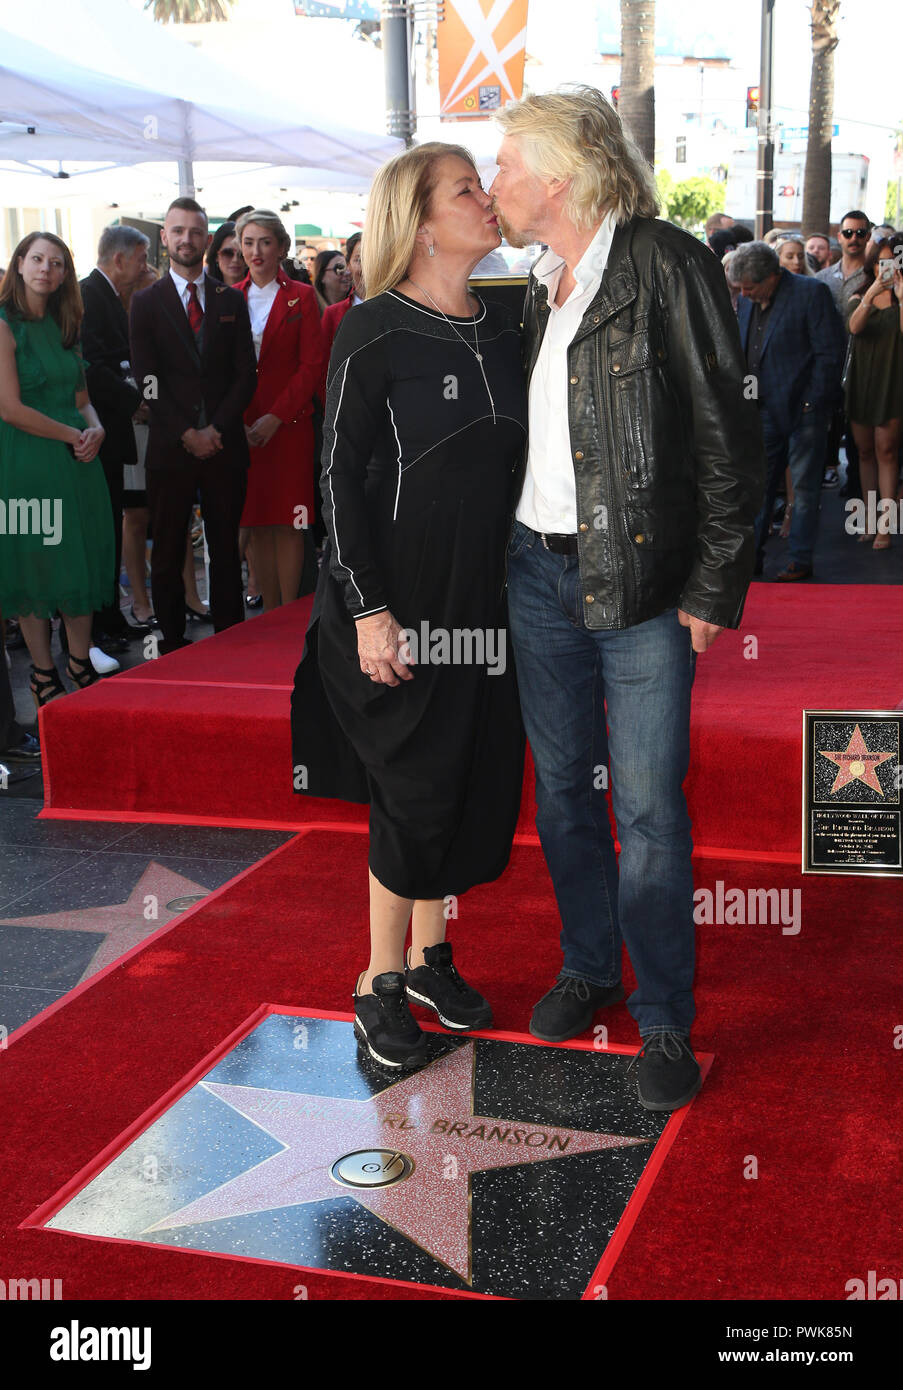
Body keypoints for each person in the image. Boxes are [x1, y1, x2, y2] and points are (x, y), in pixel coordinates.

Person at [488, 84, 765, 1111]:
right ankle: (590, 965)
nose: (496, 180)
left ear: (560, 172)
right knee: (562, 792)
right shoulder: (534, 279)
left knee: (648, 807)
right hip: (534, 570)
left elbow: (732, 435)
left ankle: (662, 1018)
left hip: (644, 579)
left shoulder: (664, 261)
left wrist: (713, 584)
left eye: (508, 162)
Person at [291, 142, 528, 1070]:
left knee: (461, 778)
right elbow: (339, 478)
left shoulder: (502, 327)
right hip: (389, 602)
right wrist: (366, 609)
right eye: (466, 189)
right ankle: (375, 984)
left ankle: (432, 959)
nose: (486, 199)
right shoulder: (373, 328)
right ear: (422, 220)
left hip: (483, 597)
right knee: (413, 787)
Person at [129, 197, 257, 654]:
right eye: (177, 230)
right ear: (164, 237)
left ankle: (231, 639)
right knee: (165, 550)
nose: (187, 239)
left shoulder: (231, 300)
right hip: (170, 448)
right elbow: (147, 379)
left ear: (206, 238)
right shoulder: (145, 303)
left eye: (195, 231)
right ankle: (172, 642)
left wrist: (216, 430)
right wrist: (187, 432)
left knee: (226, 549)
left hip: (224, 448)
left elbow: (247, 374)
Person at [0, 233, 113, 704]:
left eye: (57, 262)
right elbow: (8, 408)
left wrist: (97, 429)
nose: (46, 268)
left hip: (78, 462)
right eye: (37, 259)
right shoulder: (3, 324)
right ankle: (43, 675)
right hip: (27, 465)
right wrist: (75, 435)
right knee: (36, 567)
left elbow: (82, 400)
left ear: (66, 273)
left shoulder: (67, 322)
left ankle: (80, 662)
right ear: (20, 264)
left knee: (80, 562)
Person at [733, 241, 845, 580]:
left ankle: (800, 558)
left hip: (803, 412)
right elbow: (748, 353)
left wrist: (812, 403)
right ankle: (751, 560)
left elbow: (830, 353)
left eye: (750, 288)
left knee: (805, 488)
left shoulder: (811, 294)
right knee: (758, 488)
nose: (746, 294)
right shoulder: (750, 299)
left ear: (772, 276)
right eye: (742, 289)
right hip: (761, 411)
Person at [235, 208, 323, 609]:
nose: (256, 251)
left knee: (291, 521)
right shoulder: (229, 297)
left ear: (281, 247)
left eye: (265, 242)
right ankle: (269, 611)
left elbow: (312, 366)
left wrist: (276, 416)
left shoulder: (302, 297)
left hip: (289, 427)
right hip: (243, 426)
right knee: (255, 521)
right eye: (248, 242)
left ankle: (290, 613)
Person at [80, 223, 154, 665]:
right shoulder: (92, 295)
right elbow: (94, 366)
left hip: (112, 431)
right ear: (120, 258)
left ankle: (108, 616)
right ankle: (98, 622)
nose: (146, 268)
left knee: (110, 527)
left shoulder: (107, 295)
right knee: (102, 529)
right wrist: (134, 400)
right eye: (142, 259)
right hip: (100, 432)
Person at [845, 234, 903, 550]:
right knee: (864, 452)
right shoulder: (861, 292)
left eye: (894, 261)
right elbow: (854, 327)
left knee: (887, 452)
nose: (888, 268)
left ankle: (886, 524)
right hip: (863, 380)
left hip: (894, 382)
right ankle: (867, 519)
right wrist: (872, 293)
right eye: (882, 262)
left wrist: (901, 295)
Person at [320, 232, 363, 391]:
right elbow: (323, 367)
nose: (366, 266)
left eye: (374, 257)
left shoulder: (397, 309)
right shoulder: (333, 314)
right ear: (348, 265)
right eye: (359, 260)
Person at [205, 221, 246, 287]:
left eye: (241, 254)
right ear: (216, 256)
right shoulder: (203, 292)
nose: (235, 259)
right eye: (228, 253)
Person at [313, 249, 351, 313]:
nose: (347, 273)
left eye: (348, 268)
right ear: (321, 276)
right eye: (339, 269)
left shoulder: (356, 305)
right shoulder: (311, 307)